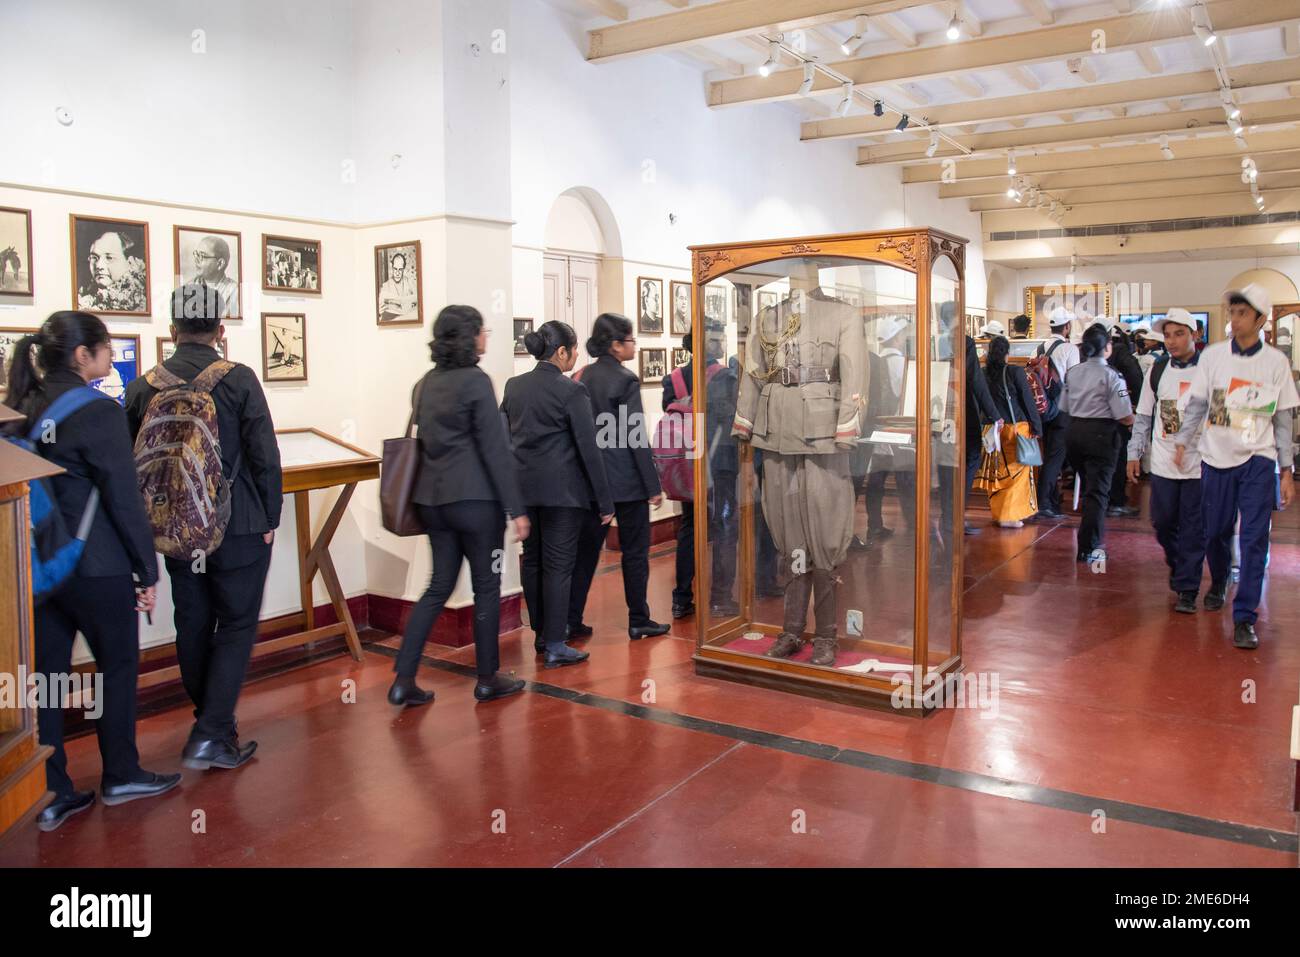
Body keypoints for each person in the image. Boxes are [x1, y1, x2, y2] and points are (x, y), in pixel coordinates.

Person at [5, 312, 180, 831]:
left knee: (48, 678)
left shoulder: (23, 404)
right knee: (119, 666)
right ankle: (122, 773)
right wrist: (147, 569)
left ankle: (52, 789)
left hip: (40, 566)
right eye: (104, 350)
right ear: (83, 355)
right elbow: (123, 498)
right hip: (97, 563)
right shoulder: (98, 411)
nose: (109, 359)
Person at [125, 285, 282, 768]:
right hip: (239, 524)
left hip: (177, 530)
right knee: (236, 623)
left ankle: (211, 724)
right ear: (221, 330)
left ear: (171, 330)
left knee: (192, 622)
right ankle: (212, 733)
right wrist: (270, 516)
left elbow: (130, 465)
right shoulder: (238, 380)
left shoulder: (143, 386)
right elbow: (264, 455)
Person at [384, 305, 529, 705]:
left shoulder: (424, 384)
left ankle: (403, 678)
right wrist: (516, 508)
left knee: (437, 587)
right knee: (486, 587)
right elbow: (495, 450)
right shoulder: (477, 382)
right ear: (470, 337)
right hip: (475, 501)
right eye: (483, 331)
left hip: (432, 502)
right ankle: (487, 678)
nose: (486, 336)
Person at [1173, 284, 1298, 649]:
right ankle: (1221, 576)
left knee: (1254, 537)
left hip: (1259, 459)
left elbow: (1284, 419)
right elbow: (1196, 405)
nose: (1235, 318)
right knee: (1215, 531)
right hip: (1216, 456)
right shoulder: (1212, 357)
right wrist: (1183, 439)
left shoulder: (1275, 362)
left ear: (1260, 319)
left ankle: (1245, 617)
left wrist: (1287, 470)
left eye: (1243, 313)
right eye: (1233, 312)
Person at [502, 320, 613, 668]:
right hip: (563, 493)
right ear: (561, 352)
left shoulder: (515, 386)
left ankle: (539, 635)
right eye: (574, 348)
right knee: (559, 567)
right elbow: (588, 448)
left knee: (533, 562)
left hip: (526, 491)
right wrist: (605, 501)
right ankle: (555, 642)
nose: (577, 355)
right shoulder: (571, 391)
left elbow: (504, 439)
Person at [567, 313, 671, 641]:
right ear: (615, 345)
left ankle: (572, 619)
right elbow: (635, 435)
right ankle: (639, 619)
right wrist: (652, 484)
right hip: (626, 482)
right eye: (630, 340)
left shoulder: (579, 376)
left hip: (589, 482)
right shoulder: (625, 380)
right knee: (635, 554)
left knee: (585, 557)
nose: (634, 346)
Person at [1125, 309, 1205, 614]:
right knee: (1162, 522)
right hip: (1163, 462)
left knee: (1193, 528)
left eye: (1179, 334)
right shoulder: (1157, 370)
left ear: (1195, 335)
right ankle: (1179, 564)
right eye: (1168, 335)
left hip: (1200, 463)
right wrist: (1134, 453)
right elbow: (1144, 415)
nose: (1171, 341)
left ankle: (1187, 587)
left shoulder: (1208, 370)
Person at [1061, 323, 1135, 564]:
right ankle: (1088, 545)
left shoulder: (1073, 372)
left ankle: (1089, 538)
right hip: (1101, 435)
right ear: (1106, 348)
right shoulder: (1112, 376)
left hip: (1074, 432)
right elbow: (1123, 414)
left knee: (1089, 489)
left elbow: (1064, 406)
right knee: (1098, 492)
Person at [977, 335, 1042, 527]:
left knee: (997, 472)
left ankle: (999, 513)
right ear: (1007, 353)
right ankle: (1010, 515)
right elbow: (1027, 401)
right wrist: (1037, 426)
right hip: (1014, 428)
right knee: (1018, 472)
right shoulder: (1014, 372)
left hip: (990, 429)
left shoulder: (982, 373)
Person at [1032, 308, 1081, 520]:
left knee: (1049, 455)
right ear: (1067, 326)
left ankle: (1051, 500)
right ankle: (1044, 503)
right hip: (1063, 409)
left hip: (1043, 409)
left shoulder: (1040, 347)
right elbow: (1075, 380)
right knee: (1055, 457)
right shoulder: (1070, 349)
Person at [1106, 323, 1143, 518]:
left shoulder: (1083, 364)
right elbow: (1135, 378)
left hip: (1088, 424)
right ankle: (1116, 500)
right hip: (1119, 414)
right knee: (1119, 457)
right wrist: (1136, 404)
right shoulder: (1122, 356)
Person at [78, 230, 147, 313]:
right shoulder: (82, 301)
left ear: (129, 262)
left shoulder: (143, 302)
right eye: (94, 258)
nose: (99, 266)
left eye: (109, 258)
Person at [187, 235, 238, 318]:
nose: (196, 259)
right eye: (196, 254)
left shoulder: (235, 291)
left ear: (220, 263)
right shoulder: (188, 288)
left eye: (202, 256)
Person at [377, 252, 418, 323]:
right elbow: (380, 316)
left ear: (404, 269)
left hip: (409, 320)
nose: (397, 273)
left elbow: (418, 301)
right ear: (392, 267)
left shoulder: (410, 282)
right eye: (395, 269)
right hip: (393, 322)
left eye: (400, 269)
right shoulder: (385, 286)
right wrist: (379, 313)